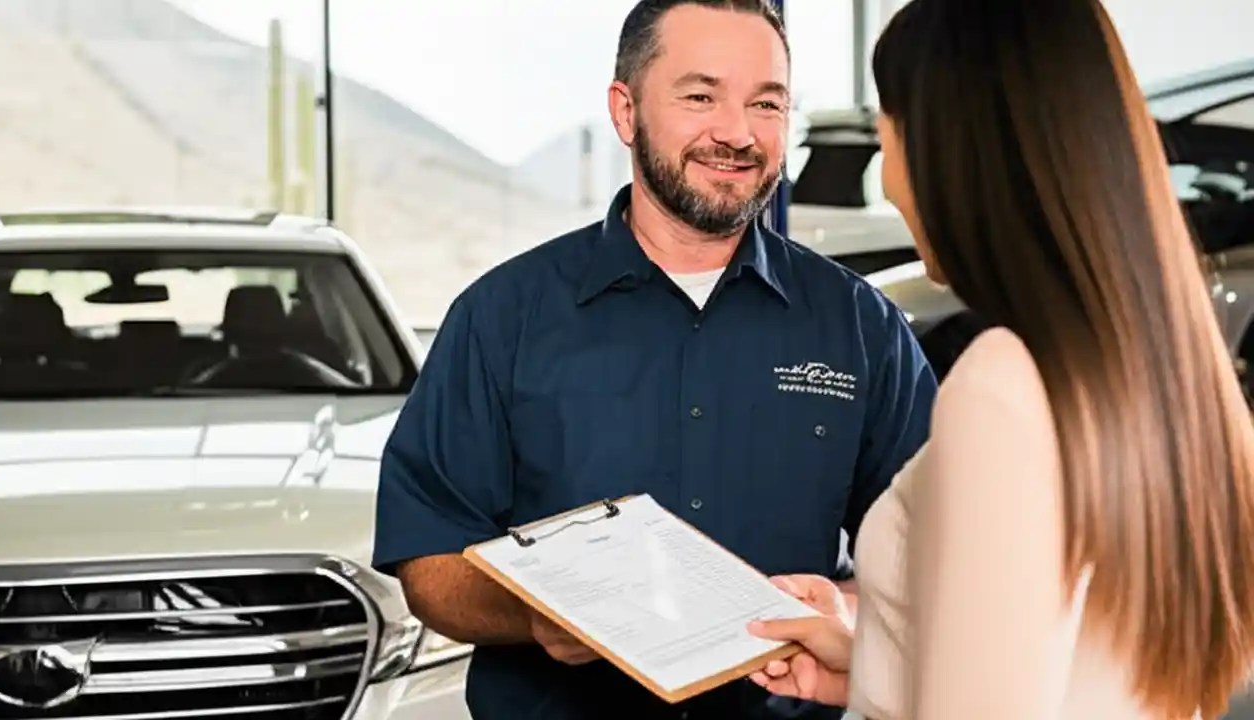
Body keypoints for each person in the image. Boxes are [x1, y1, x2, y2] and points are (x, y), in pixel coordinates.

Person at [371, 1, 937, 718]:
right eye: (700, 96)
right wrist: (542, 615)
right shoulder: (501, 318)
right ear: (625, 109)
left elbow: (932, 560)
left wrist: (841, 608)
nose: (736, 133)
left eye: (766, 103)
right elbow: (430, 566)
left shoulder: (862, 327)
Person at [746, 1, 1254, 718]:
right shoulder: (1175, 385)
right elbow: (1078, 664)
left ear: (949, 154)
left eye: (888, 142)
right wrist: (871, 660)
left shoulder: (1002, 385)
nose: (889, 183)